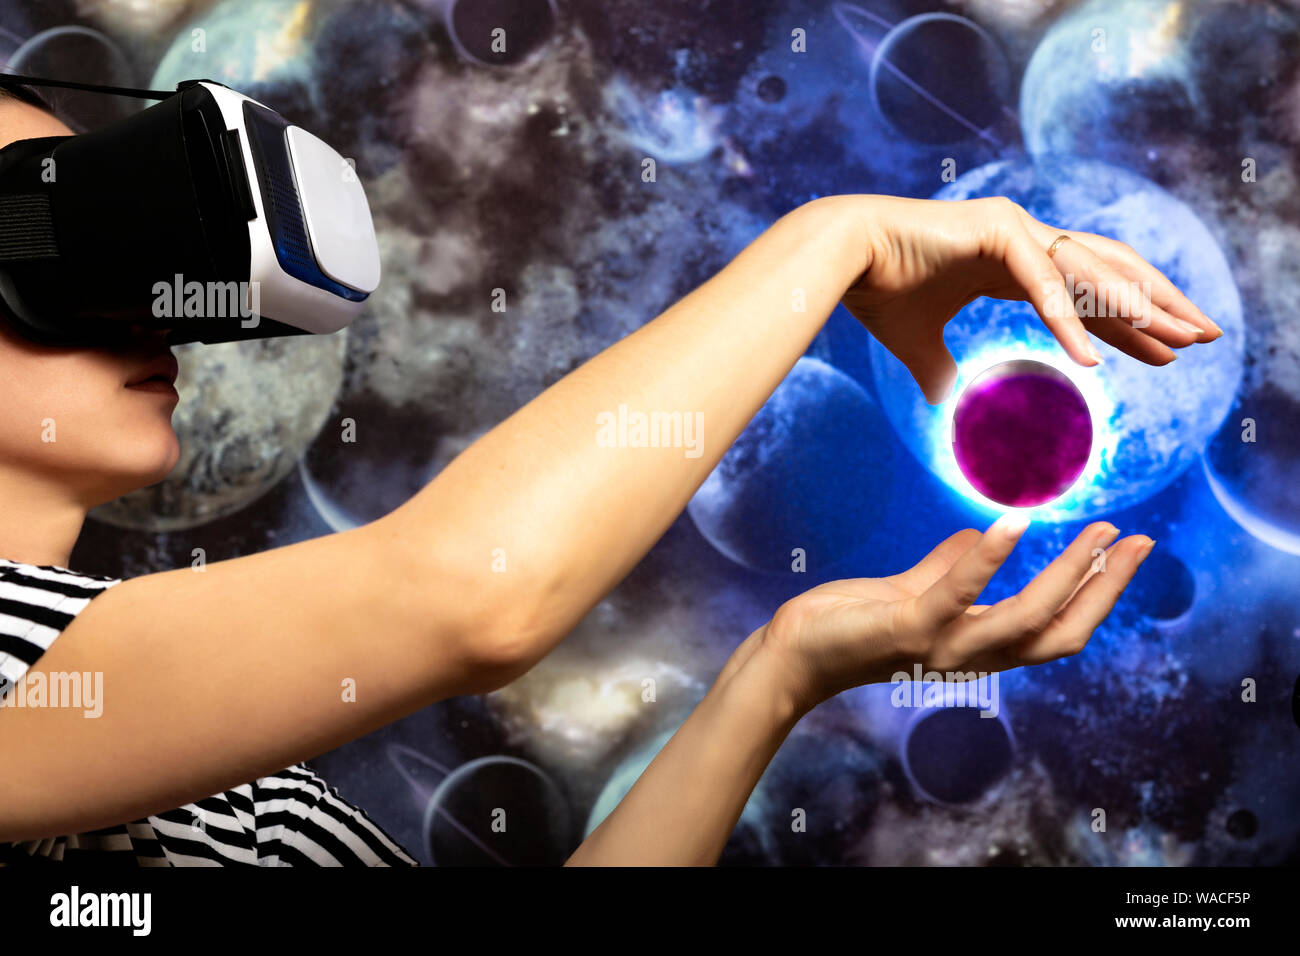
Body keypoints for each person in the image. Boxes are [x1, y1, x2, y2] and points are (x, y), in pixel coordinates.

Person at [0, 85, 1222, 866]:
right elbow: (467, 594)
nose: (129, 281)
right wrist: (836, 239)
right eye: (46, 232)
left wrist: (776, 669)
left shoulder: (206, 776)